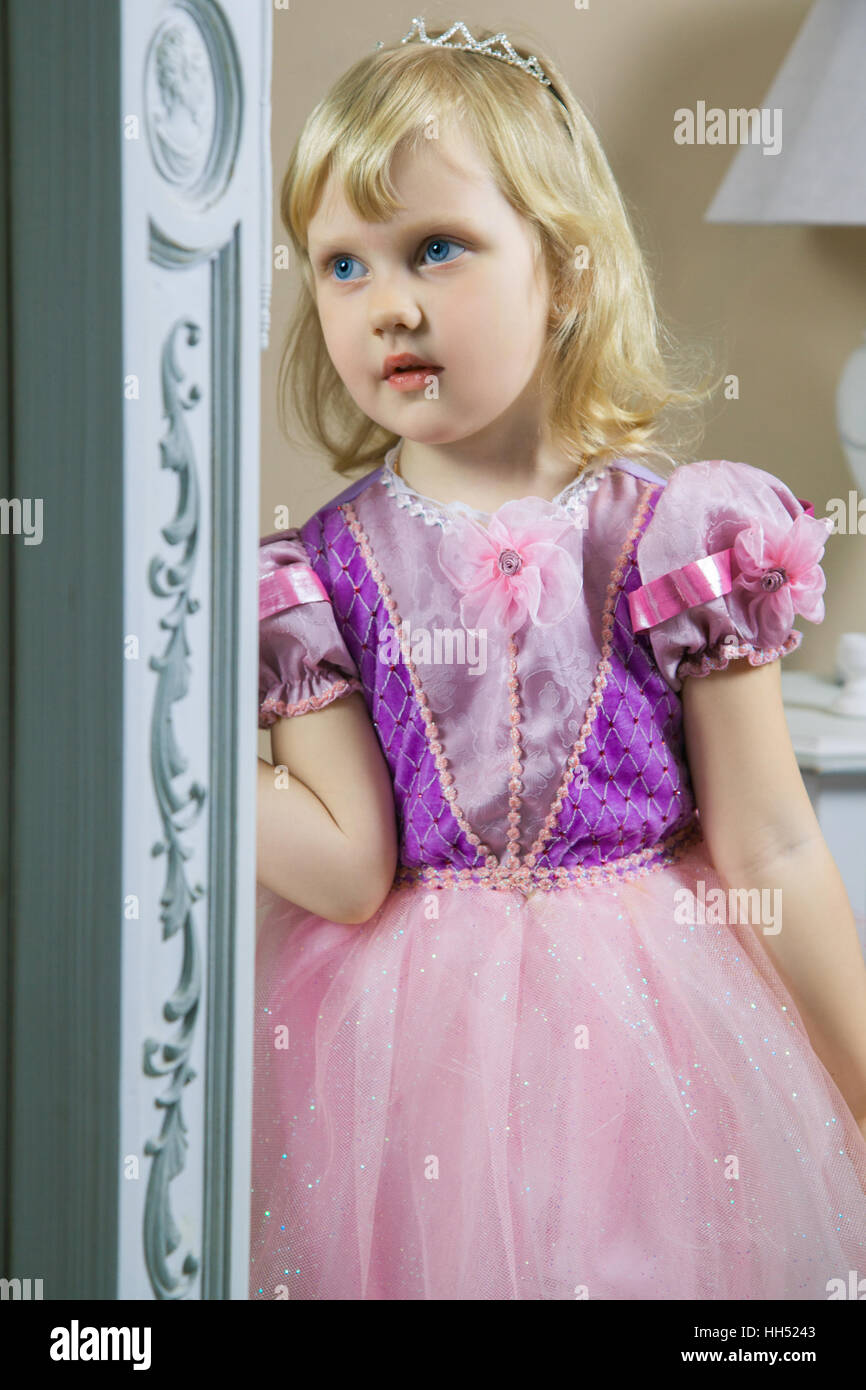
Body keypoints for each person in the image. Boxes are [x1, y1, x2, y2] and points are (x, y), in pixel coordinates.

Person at [249, 19, 866, 1300]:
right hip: (397, 1059)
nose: (392, 304)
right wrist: (164, 723)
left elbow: (772, 844)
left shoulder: (676, 534)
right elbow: (349, 868)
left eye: (435, 247)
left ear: (564, 269)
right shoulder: (311, 576)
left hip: (657, 1044)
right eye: (342, 265)